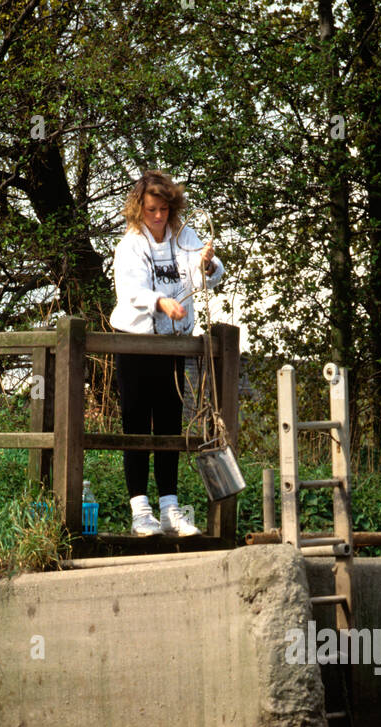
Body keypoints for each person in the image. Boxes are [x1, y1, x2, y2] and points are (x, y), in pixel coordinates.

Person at [110, 172, 225, 536]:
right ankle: (139, 509)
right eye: (150, 210)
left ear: (172, 208)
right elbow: (131, 290)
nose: (158, 217)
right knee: (137, 424)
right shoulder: (130, 245)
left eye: (163, 209)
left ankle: (170, 509)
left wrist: (208, 265)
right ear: (139, 210)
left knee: (171, 423)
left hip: (175, 343)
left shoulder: (184, 235)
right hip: (135, 342)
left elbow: (206, 275)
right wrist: (161, 301)